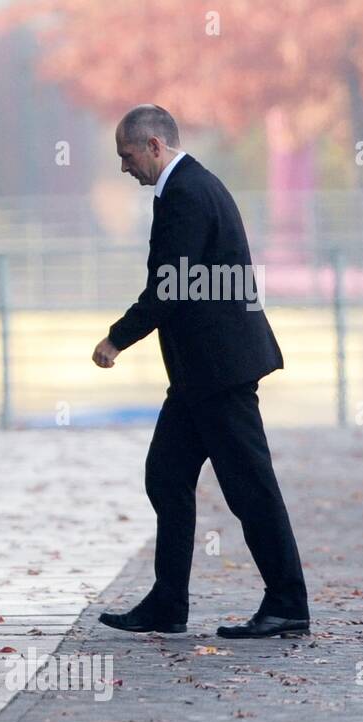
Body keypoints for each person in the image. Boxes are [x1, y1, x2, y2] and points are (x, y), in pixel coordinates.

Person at [92, 105, 310, 639]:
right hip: (200, 376)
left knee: (251, 489)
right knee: (166, 477)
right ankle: (168, 604)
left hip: (219, 374)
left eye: (126, 155)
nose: (124, 168)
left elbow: (171, 286)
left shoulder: (187, 194)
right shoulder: (190, 187)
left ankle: (287, 604)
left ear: (154, 147)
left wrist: (116, 338)